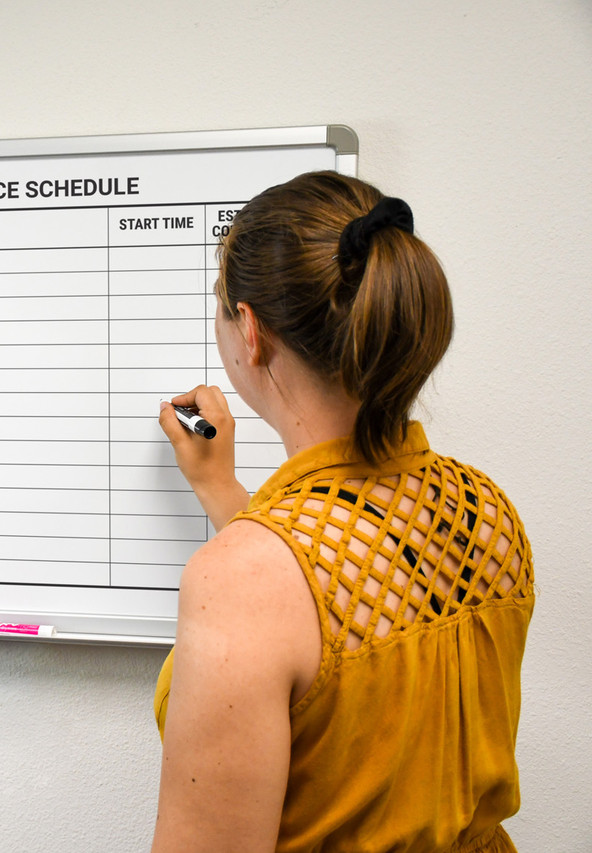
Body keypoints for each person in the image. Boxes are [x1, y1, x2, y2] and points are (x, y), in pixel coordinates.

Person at [151, 171, 534, 852]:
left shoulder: (241, 580)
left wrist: (241, 535)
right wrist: (223, 493)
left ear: (250, 331)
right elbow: (352, 634)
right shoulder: (485, 510)